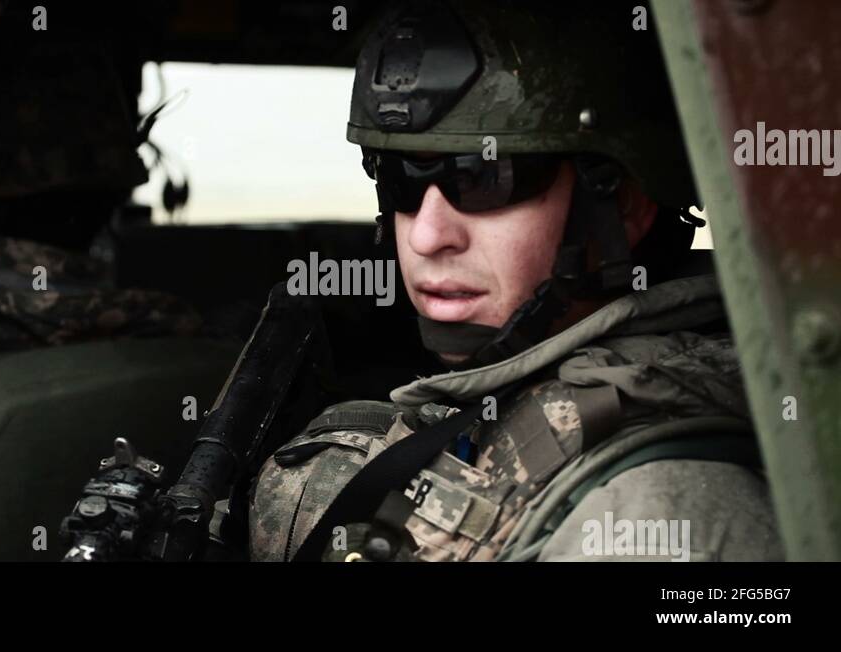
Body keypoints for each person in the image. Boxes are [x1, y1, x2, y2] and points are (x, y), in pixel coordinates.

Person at [248, 0, 783, 562]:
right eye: (401, 178)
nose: (428, 237)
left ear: (623, 203)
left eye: (483, 179)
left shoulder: (662, 516)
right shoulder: (509, 400)